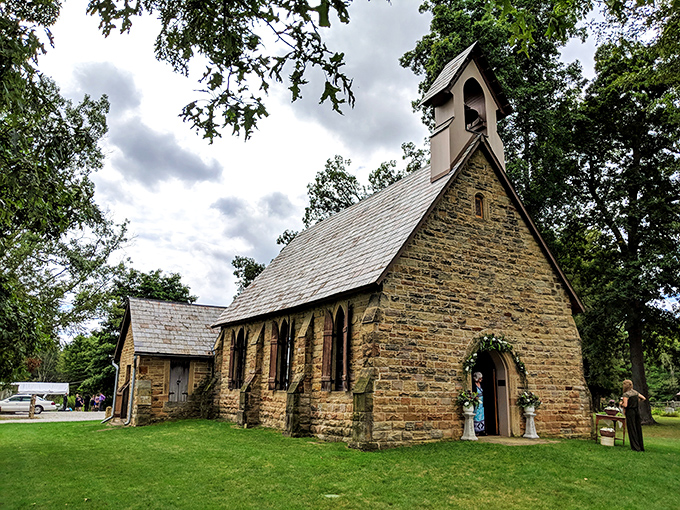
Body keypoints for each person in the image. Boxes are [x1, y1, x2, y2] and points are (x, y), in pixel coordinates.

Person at [621, 379, 646, 452]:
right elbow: (643, 398)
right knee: (638, 428)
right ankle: (641, 446)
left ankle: (635, 447)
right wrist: (637, 402)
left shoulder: (626, 394)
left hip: (630, 412)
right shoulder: (635, 392)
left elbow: (625, 405)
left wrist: (620, 404)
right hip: (636, 411)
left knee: (632, 428)